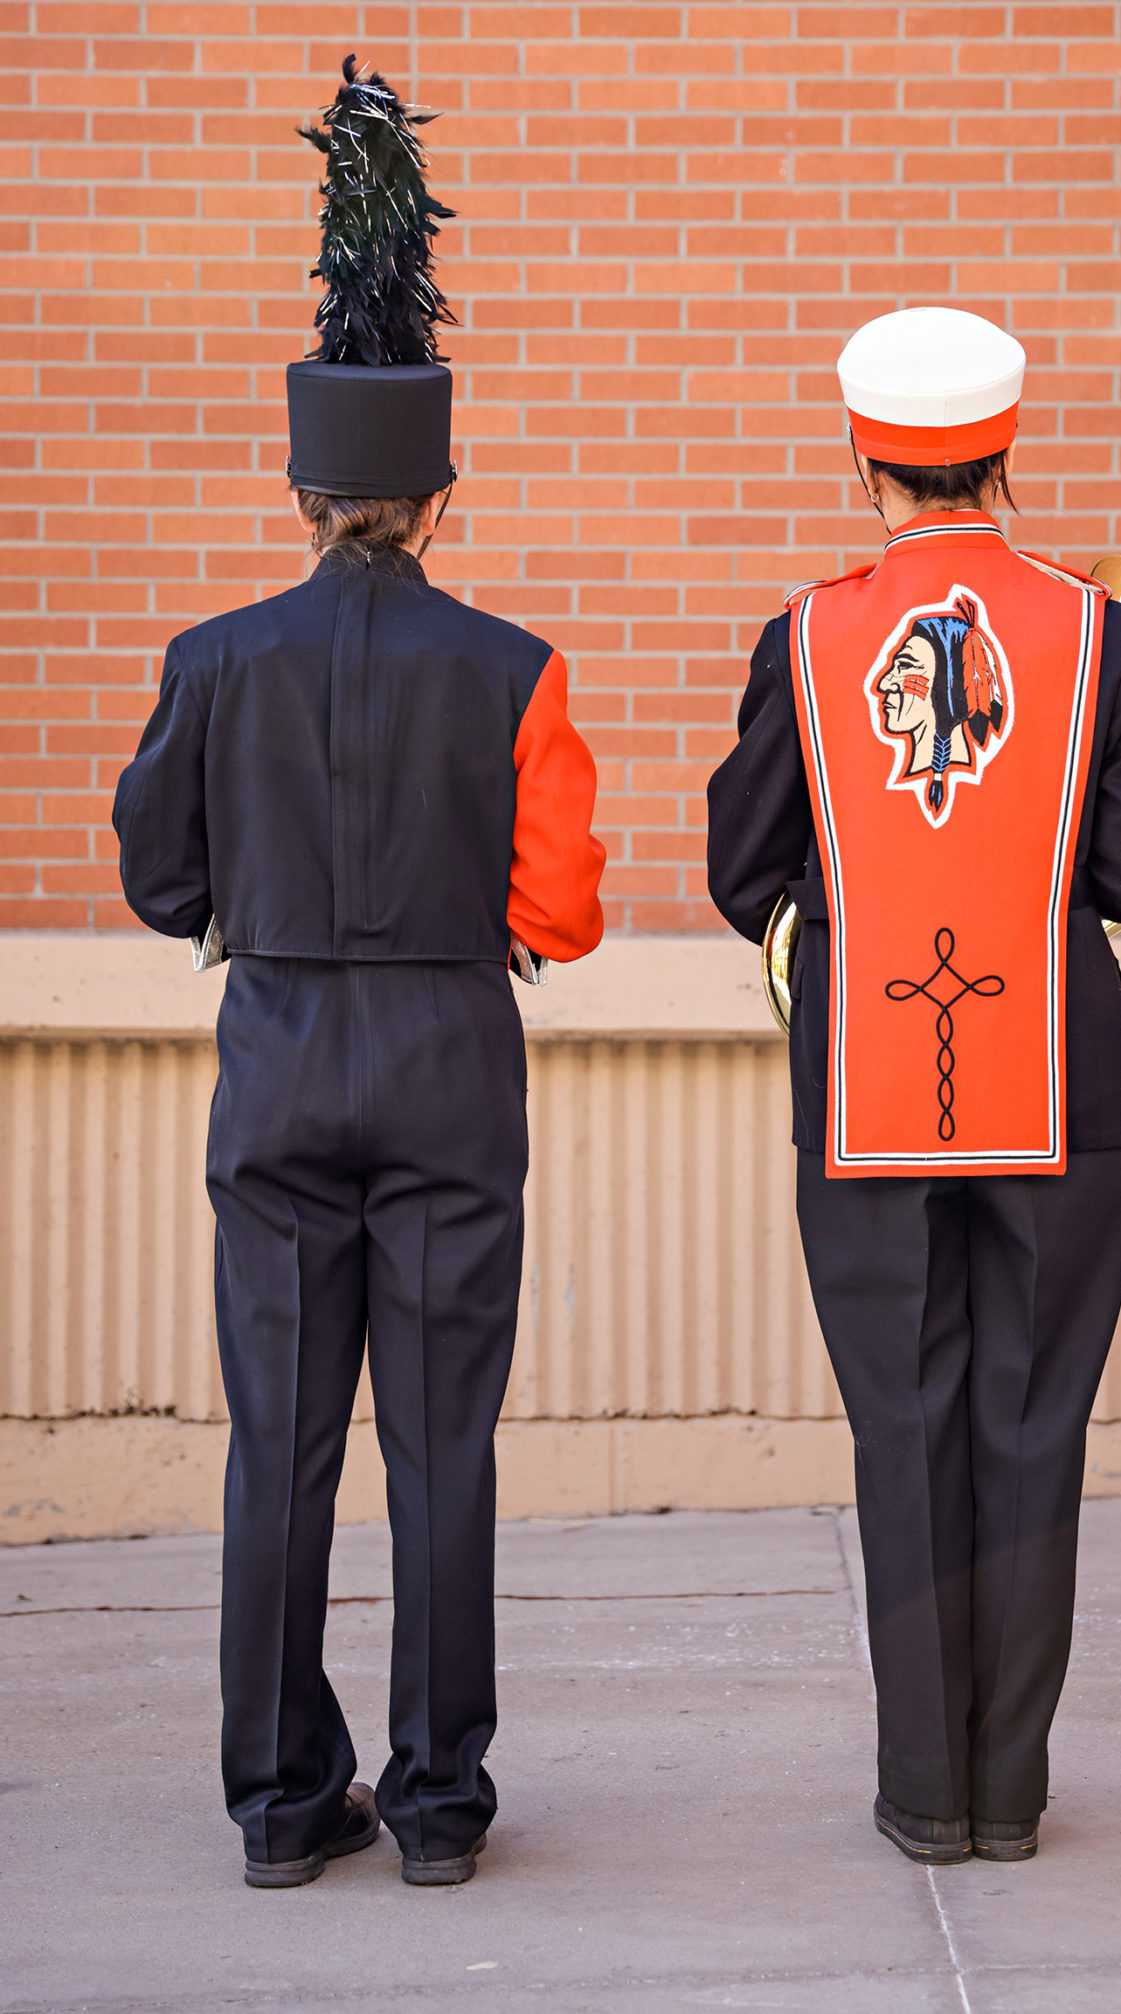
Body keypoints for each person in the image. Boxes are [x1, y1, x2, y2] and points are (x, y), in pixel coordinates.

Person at [113, 57, 605, 1890]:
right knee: (444, 1448)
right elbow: (558, 916)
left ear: (301, 485)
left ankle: (272, 1801)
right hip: (453, 1074)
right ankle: (441, 1803)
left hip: (278, 1062)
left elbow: (162, 868)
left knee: (279, 1447)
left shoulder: (211, 652)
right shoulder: (514, 664)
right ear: (439, 498)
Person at [707, 305, 1121, 1865]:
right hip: (1057, 1077)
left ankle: (926, 1792)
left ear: (865, 461)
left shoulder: (801, 633)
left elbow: (741, 865)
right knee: (1031, 1421)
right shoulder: (1104, 634)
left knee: (902, 1422)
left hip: (866, 1082)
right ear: (1005, 452)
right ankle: (1010, 1793)